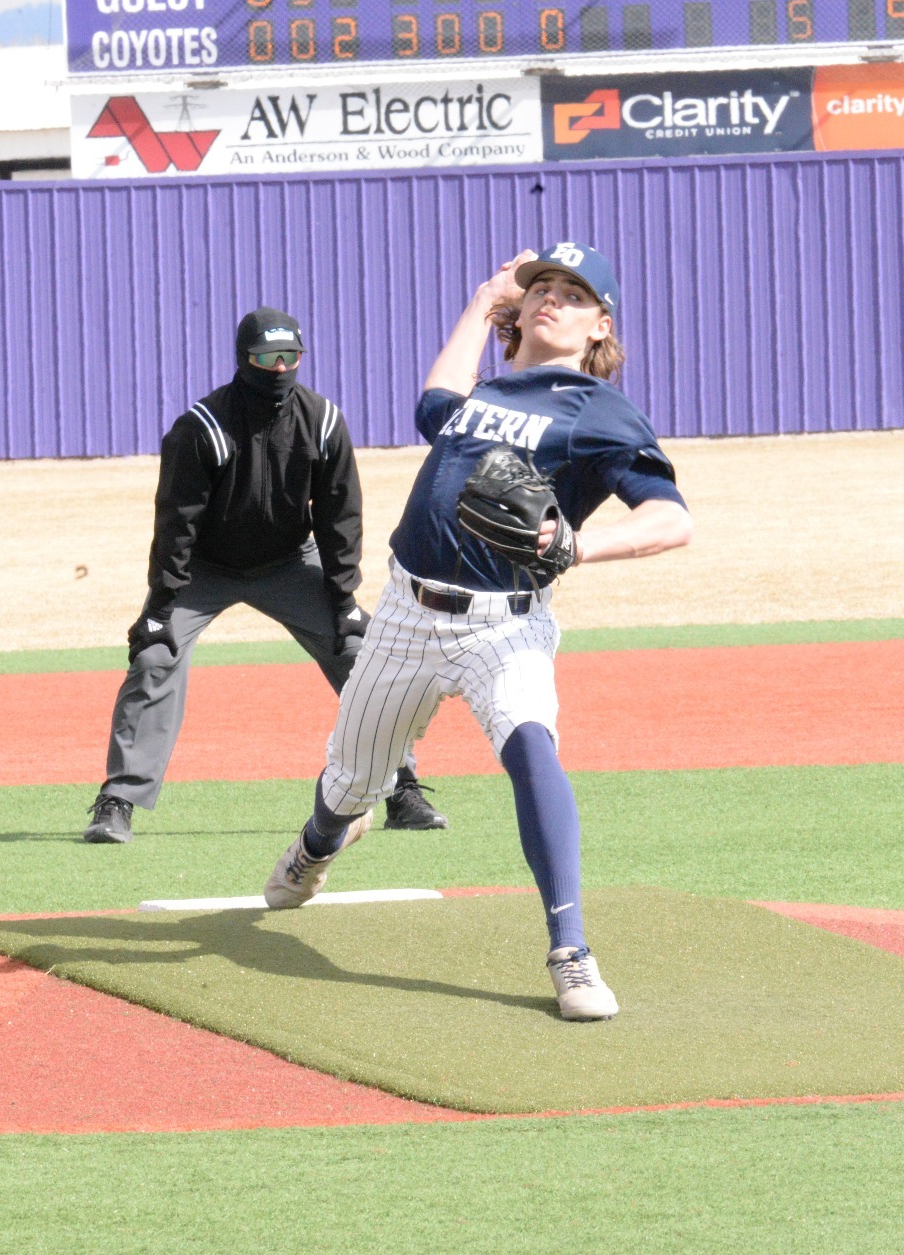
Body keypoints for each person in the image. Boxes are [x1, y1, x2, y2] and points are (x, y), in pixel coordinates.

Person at [261, 244, 693, 1021]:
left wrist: (577, 546)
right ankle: (321, 843)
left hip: (507, 625)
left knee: (532, 743)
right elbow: (434, 400)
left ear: (602, 325)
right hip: (404, 614)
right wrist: (480, 298)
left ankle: (571, 951)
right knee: (351, 782)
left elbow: (671, 519)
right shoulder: (487, 392)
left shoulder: (598, 411)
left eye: (573, 293)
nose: (551, 299)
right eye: (541, 288)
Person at [81, 307, 446, 844]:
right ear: (243, 358)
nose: (278, 369)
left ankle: (400, 788)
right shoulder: (201, 427)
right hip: (203, 569)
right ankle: (118, 801)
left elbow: (340, 514)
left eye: (289, 357)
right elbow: (175, 523)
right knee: (156, 657)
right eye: (266, 358)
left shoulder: (321, 421)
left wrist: (343, 598)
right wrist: (159, 610)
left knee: (359, 652)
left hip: (288, 561)